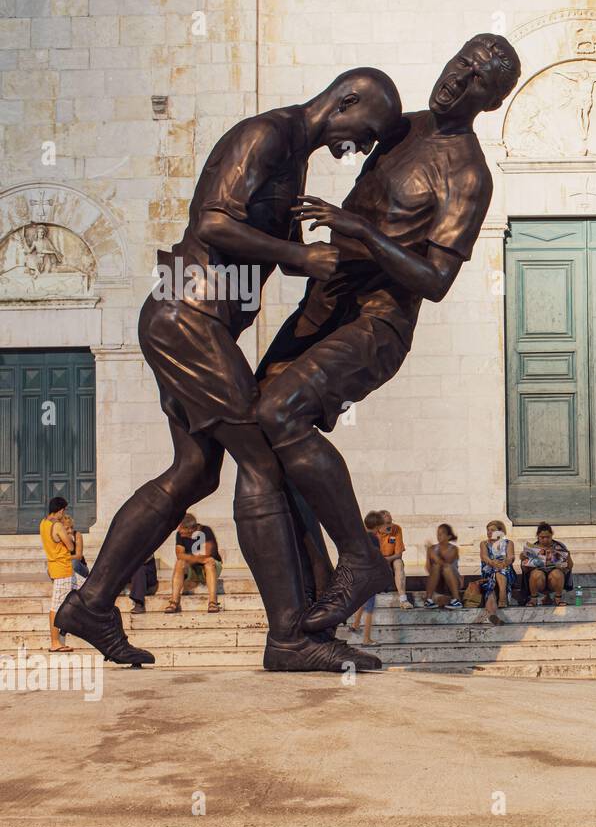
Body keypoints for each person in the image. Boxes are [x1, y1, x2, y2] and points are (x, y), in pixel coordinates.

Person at [53, 69, 404, 672]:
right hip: (185, 313)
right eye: (364, 132)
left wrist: (358, 242)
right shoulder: (265, 134)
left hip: (197, 322)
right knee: (264, 457)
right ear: (344, 101)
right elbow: (211, 222)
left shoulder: (295, 159)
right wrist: (299, 253)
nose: (361, 147)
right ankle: (290, 638)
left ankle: (92, 603)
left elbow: (281, 258)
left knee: (193, 473)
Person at [253, 34, 522, 637]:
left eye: (475, 76)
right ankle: (309, 604)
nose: (456, 78)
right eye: (459, 62)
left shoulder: (469, 176)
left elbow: (435, 281)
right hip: (324, 303)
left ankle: (361, 557)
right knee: (256, 429)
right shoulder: (400, 127)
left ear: (490, 99)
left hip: (378, 323)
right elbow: (324, 135)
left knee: (278, 411)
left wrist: (362, 231)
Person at [164, 513, 223, 613]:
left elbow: (207, 554)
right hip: (193, 568)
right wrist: (197, 559)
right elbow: (180, 555)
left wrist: (190, 558)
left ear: (190, 529)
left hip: (211, 568)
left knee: (209, 563)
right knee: (179, 563)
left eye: (181, 527)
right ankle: (174, 602)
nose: (178, 530)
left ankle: (213, 602)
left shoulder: (206, 531)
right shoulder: (179, 534)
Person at [39, 497, 77, 652]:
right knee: (56, 606)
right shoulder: (58, 526)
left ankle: (59, 640)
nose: (64, 513)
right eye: (64, 510)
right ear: (61, 510)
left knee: (86, 587)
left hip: (55, 568)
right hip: (63, 569)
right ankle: (55, 642)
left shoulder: (43, 524)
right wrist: (70, 538)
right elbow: (70, 546)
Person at [348, 511, 385, 645]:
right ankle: (366, 639)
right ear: (377, 526)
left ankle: (355, 624)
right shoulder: (374, 539)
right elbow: (375, 557)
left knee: (363, 602)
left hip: (359, 575)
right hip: (370, 577)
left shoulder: (361, 537)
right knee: (370, 608)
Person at [522, 523, 575, 606]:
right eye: (542, 537)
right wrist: (524, 560)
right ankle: (533, 599)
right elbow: (525, 571)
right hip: (539, 582)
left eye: (548, 537)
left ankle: (558, 598)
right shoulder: (532, 548)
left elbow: (570, 566)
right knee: (536, 574)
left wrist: (567, 556)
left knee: (557, 573)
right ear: (537, 536)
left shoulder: (559, 546)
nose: (545, 540)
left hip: (554, 582)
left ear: (552, 535)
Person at [477, 520, 517, 626]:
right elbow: (484, 557)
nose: (489, 532)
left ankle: (502, 594)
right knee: (490, 591)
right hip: (489, 573)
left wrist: (504, 563)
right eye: (488, 530)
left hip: (506, 571)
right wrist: (493, 563)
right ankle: (493, 614)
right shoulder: (484, 544)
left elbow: (511, 557)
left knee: (500, 572)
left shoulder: (508, 543)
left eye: (492, 530)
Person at [376, 510, 412, 608]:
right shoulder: (371, 532)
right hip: (376, 562)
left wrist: (388, 560)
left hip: (391, 559)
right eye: (388, 523)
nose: (390, 525)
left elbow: (398, 554)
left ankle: (403, 600)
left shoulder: (396, 529)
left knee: (398, 563)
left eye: (391, 522)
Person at [424, 523, 464, 609]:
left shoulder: (453, 549)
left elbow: (447, 564)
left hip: (452, 582)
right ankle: (428, 599)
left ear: (449, 536)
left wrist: (434, 556)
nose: (439, 535)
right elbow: (428, 568)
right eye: (438, 533)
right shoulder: (431, 548)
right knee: (436, 566)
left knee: (446, 568)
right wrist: (430, 556)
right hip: (438, 583)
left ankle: (456, 600)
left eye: (442, 533)